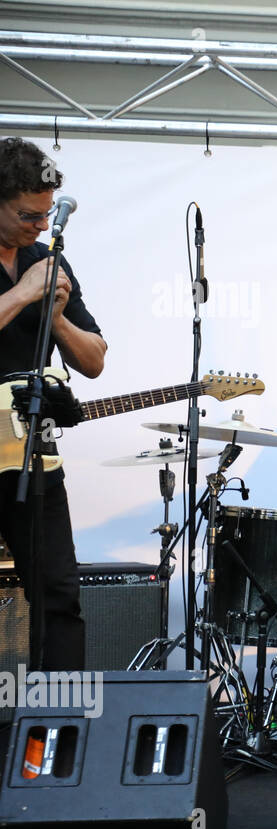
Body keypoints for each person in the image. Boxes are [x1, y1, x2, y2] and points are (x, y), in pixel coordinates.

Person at [0, 136, 107, 672]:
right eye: (27, 215)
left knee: (59, 596)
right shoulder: (30, 274)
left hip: (35, 457)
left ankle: (56, 737)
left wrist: (58, 316)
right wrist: (21, 294)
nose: (40, 227)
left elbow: (93, 360)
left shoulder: (48, 258)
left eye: (45, 216)